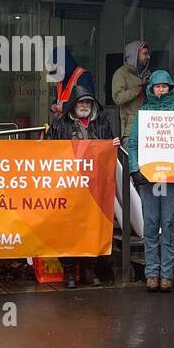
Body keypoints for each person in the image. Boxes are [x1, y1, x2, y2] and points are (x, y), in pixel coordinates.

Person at [127, 69, 174, 292]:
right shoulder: (144, 112)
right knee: (150, 224)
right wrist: (134, 169)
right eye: (157, 86)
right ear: (151, 88)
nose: (161, 90)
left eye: (164, 86)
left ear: (170, 88)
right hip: (150, 178)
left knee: (168, 224)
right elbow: (133, 143)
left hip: (172, 177)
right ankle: (151, 273)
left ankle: (166, 274)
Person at [45, 82, 119, 288]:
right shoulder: (60, 124)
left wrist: (113, 144)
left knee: (91, 226)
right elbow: (50, 152)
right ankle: (69, 271)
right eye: (81, 102)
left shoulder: (102, 123)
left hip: (95, 186)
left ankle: (89, 268)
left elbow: (108, 148)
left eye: (88, 101)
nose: (85, 105)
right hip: (69, 185)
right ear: (73, 105)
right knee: (68, 228)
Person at [112, 40, 150, 140]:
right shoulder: (121, 73)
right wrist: (138, 89)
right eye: (145, 53)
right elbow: (118, 98)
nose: (148, 57)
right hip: (130, 129)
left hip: (149, 127)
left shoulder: (147, 73)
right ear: (135, 54)